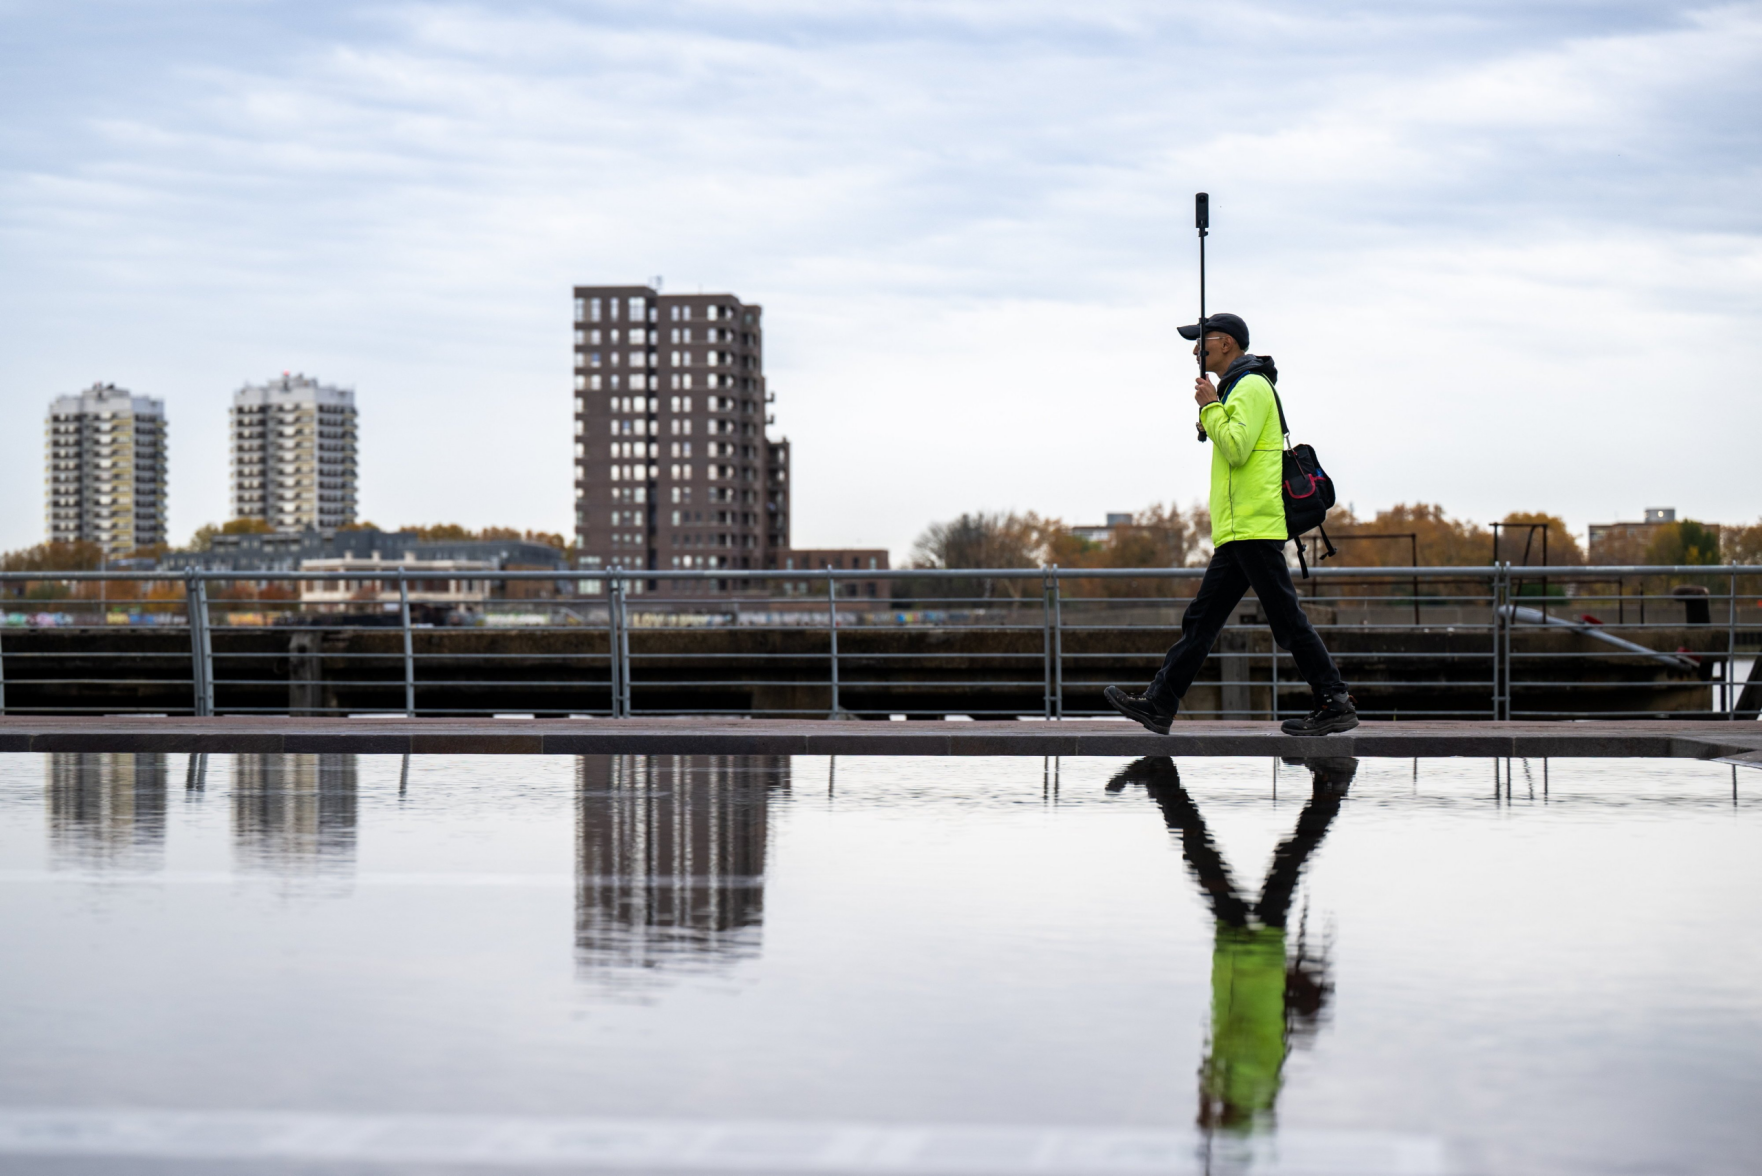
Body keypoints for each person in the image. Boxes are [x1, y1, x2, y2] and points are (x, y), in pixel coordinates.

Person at [1104, 312, 1357, 736]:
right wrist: (1214, 410)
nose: (1195, 350)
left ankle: (1335, 702)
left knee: (1287, 623)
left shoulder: (1252, 386)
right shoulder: (1237, 387)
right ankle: (1160, 703)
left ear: (1226, 343)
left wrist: (1211, 407)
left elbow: (1237, 448)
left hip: (1254, 527)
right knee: (1201, 622)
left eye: (1201, 341)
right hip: (1241, 530)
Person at [1106, 754, 1356, 1134]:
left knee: (1213, 858)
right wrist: (1216, 1111)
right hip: (1257, 958)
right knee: (1261, 860)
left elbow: (1218, 1070)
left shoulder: (1247, 1088)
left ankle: (1161, 781)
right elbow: (1241, 1093)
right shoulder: (1255, 1089)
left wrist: (1209, 1099)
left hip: (1235, 956)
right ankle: (1332, 789)